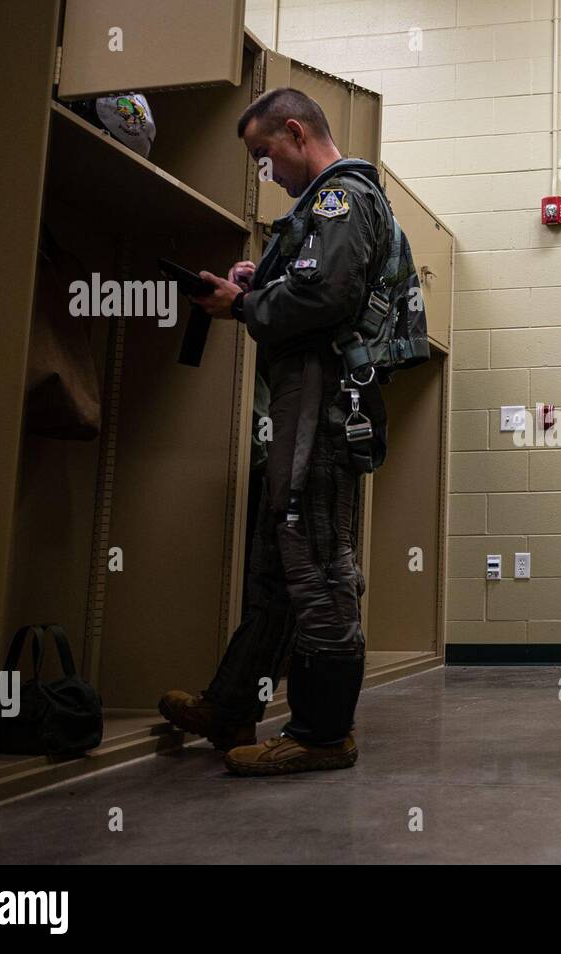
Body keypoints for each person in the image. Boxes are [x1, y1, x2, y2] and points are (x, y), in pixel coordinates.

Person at [158, 88, 388, 775]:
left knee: (317, 564)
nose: (267, 172)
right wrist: (261, 281)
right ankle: (232, 705)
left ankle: (323, 734)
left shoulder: (340, 198)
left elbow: (328, 296)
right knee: (275, 566)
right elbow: (315, 283)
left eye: (266, 156)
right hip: (299, 404)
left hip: (323, 404)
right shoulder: (321, 210)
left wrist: (247, 303)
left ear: (295, 133)